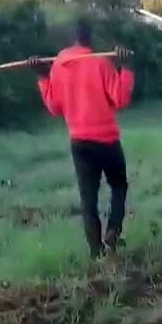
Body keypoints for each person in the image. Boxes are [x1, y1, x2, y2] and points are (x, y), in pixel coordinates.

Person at [28, 20, 135, 260]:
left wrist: (42, 78)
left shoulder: (58, 66)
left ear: (69, 40)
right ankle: (113, 232)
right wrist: (125, 68)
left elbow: (55, 108)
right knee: (119, 186)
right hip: (107, 140)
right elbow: (120, 100)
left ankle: (95, 252)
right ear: (89, 39)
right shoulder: (101, 62)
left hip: (79, 141)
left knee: (89, 198)